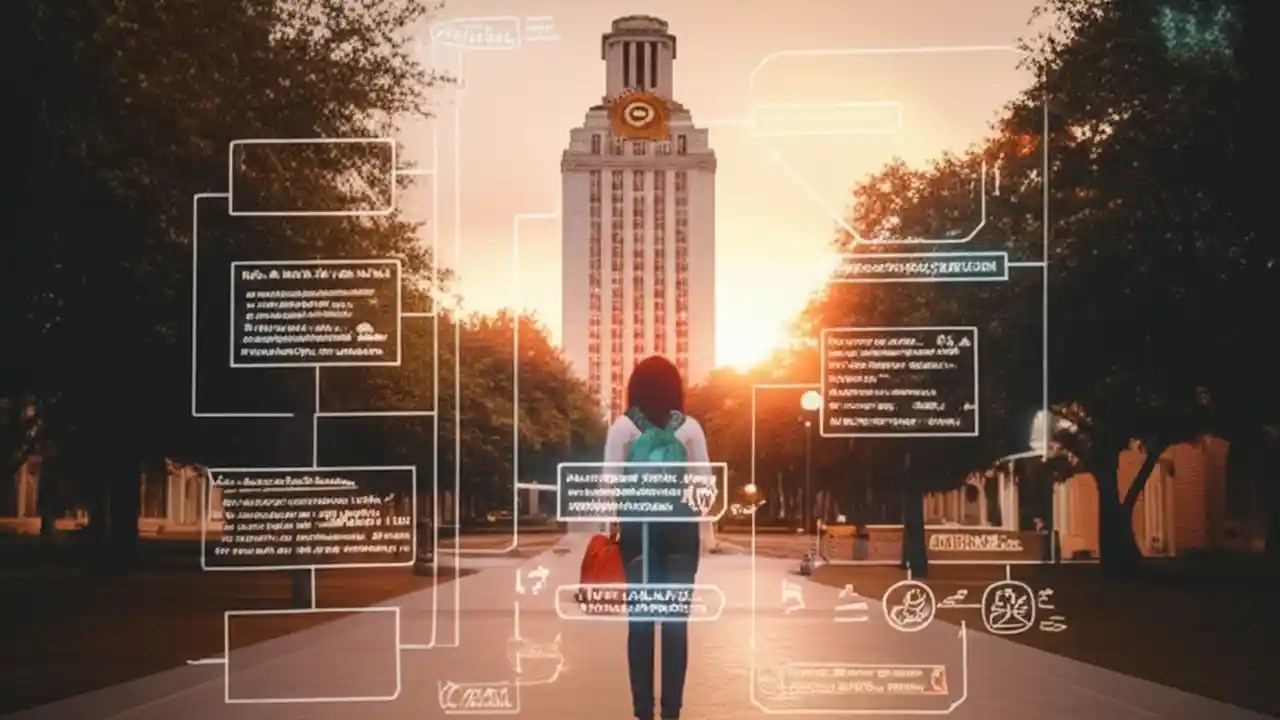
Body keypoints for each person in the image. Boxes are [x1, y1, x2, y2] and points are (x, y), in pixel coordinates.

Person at [605, 355, 710, 720]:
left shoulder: (623, 427)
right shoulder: (691, 428)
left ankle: (642, 711)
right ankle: (672, 712)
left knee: (641, 621)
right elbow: (703, 485)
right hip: (681, 531)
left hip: (639, 529)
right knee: (676, 621)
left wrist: (612, 526)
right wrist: (704, 531)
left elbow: (609, 485)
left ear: (635, 388)